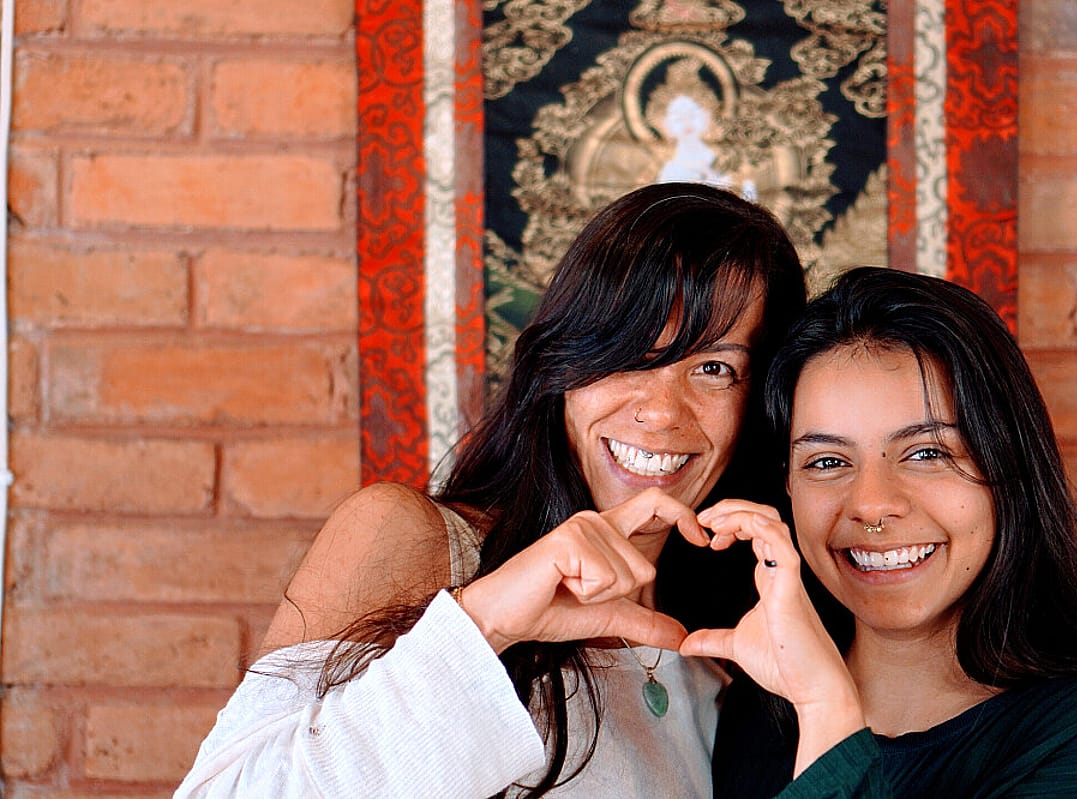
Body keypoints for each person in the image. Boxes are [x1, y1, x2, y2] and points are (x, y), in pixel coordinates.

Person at [174, 181, 807, 797]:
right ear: (566, 361)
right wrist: (486, 624)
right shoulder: (413, 541)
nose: (662, 410)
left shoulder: (734, 644)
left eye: (715, 368)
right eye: (630, 352)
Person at [682, 266, 1077, 798]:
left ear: (1008, 469)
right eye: (826, 461)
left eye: (927, 453)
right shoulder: (749, 712)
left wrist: (827, 710)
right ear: (787, 489)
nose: (871, 505)